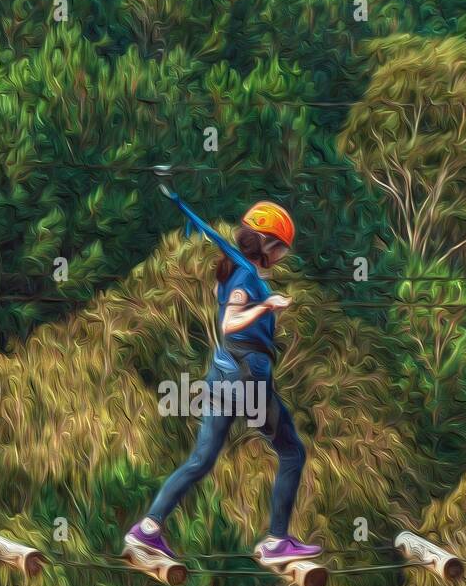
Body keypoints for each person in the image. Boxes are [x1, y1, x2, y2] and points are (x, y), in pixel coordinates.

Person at [125, 184, 322, 565]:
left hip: (222, 379)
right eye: (280, 246)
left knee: (201, 460)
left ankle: (148, 528)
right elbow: (231, 323)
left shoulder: (233, 271)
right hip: (247, 381)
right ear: (265, 243)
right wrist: (266, 306)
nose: (282, 255)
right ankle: (276, 541)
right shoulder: (247, 279)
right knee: (292, 451)